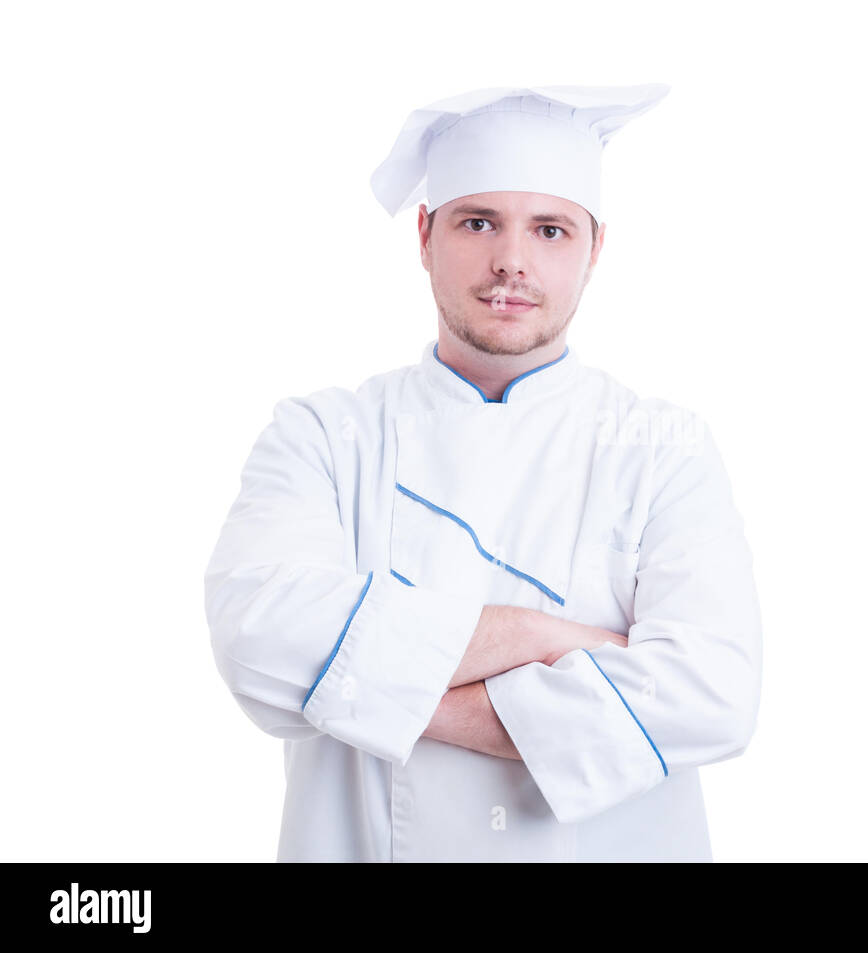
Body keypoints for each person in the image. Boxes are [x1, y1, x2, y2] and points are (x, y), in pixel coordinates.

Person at [203, 84, 763, 862]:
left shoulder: (662, 447)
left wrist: (368, 689)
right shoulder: (322, 439)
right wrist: (541, 636)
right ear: (424, 234)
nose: (512, 261)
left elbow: (712, 696)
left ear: (595, 248)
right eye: (478, 222)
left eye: (550, 229)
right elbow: (259, 639)